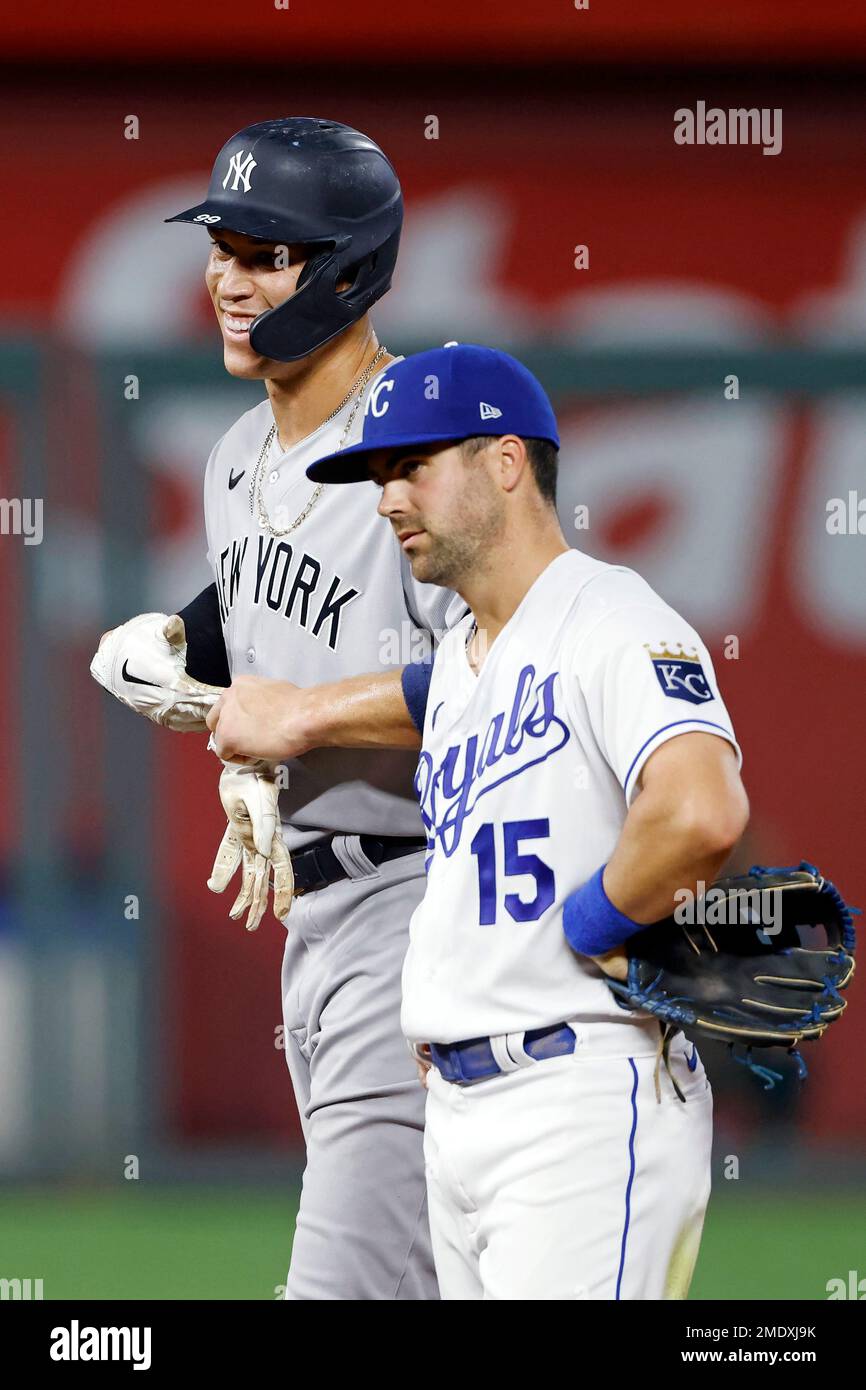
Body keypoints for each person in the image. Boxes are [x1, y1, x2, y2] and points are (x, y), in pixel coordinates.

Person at [213, 342, 750, 1300]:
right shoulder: (463, 663)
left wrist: (590, 924)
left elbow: (701, 809)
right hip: (463, 1120)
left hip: (581, 1100)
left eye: (411, 466)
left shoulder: (610, 615)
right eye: (378, 476)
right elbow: (437, 740)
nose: (386, 500)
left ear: (505, 463)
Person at [91, 118, 470, 1301]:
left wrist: (300, 720)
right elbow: (276, 608)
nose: (226, 276)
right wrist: (179, 650)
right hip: (317, 932)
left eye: (265, 251)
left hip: (428, 908)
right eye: (220, 244)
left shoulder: (430, 450)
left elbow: (521, 686)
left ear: (348, 268)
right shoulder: (235, 457)